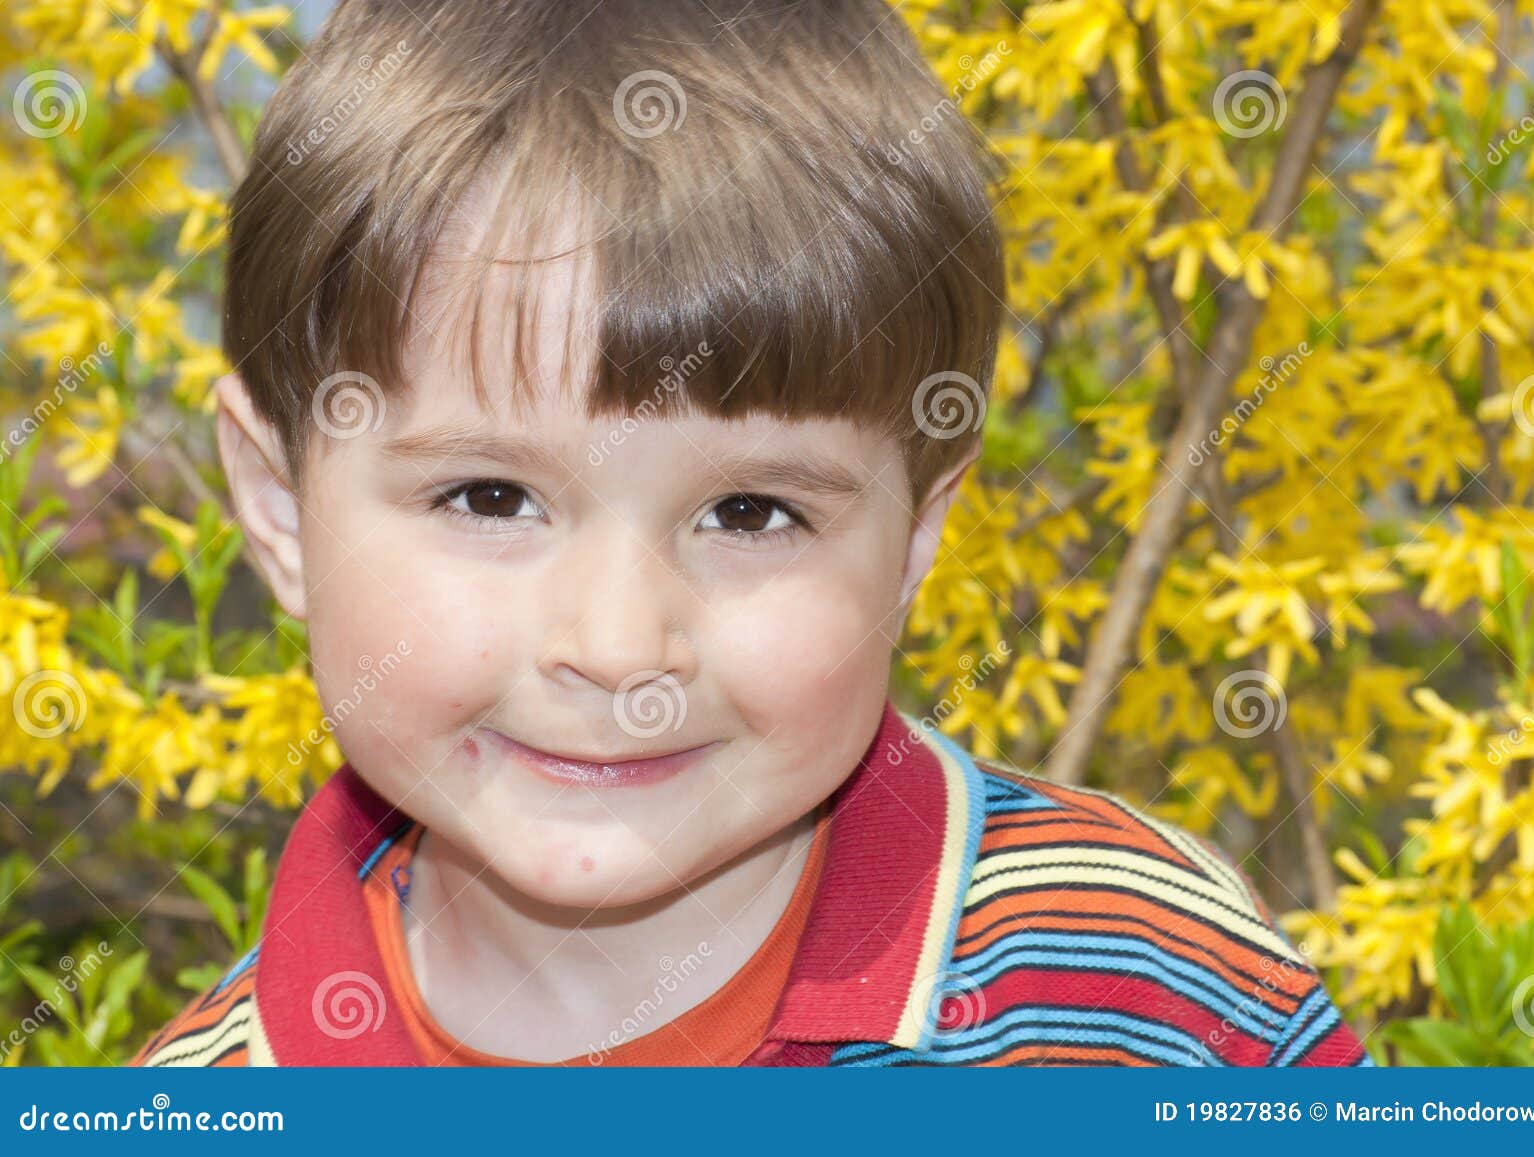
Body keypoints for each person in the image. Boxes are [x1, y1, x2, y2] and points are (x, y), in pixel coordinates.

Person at [133, 0, 1369, 1068]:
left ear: (916, 536)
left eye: (749, 512)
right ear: (280, 506)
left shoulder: (1143, 987)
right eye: (490, 497)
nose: (619, 648)